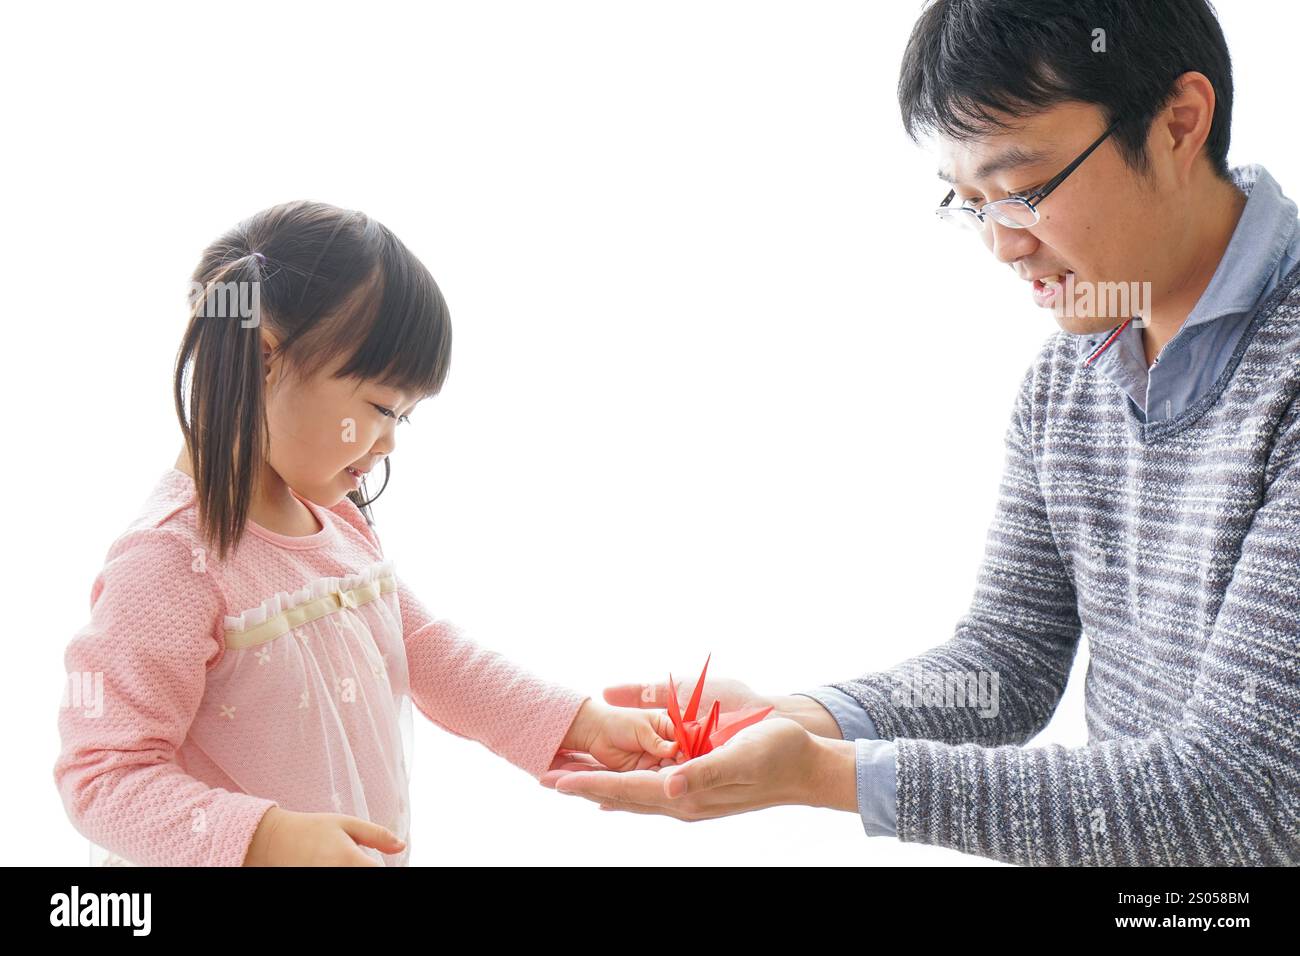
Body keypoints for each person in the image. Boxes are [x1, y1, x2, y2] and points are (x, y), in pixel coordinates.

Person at [546, 0, 1300, 866]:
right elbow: (1006, 664)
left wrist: (828, 776)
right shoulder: (1068, 383)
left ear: (1178, 123)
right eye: (969, 201)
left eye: (1022, 191)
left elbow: (1248, 793)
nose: (1003, 245)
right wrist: (802, 720)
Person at [53, 200, 679, 867]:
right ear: (265, 357)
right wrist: (266, 838)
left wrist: (579, 721)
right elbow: (102, 776)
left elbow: (430, 655)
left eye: (402, 419)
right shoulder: (171, 560)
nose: (386, 442)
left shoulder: (340, 526)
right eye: (381, 407)